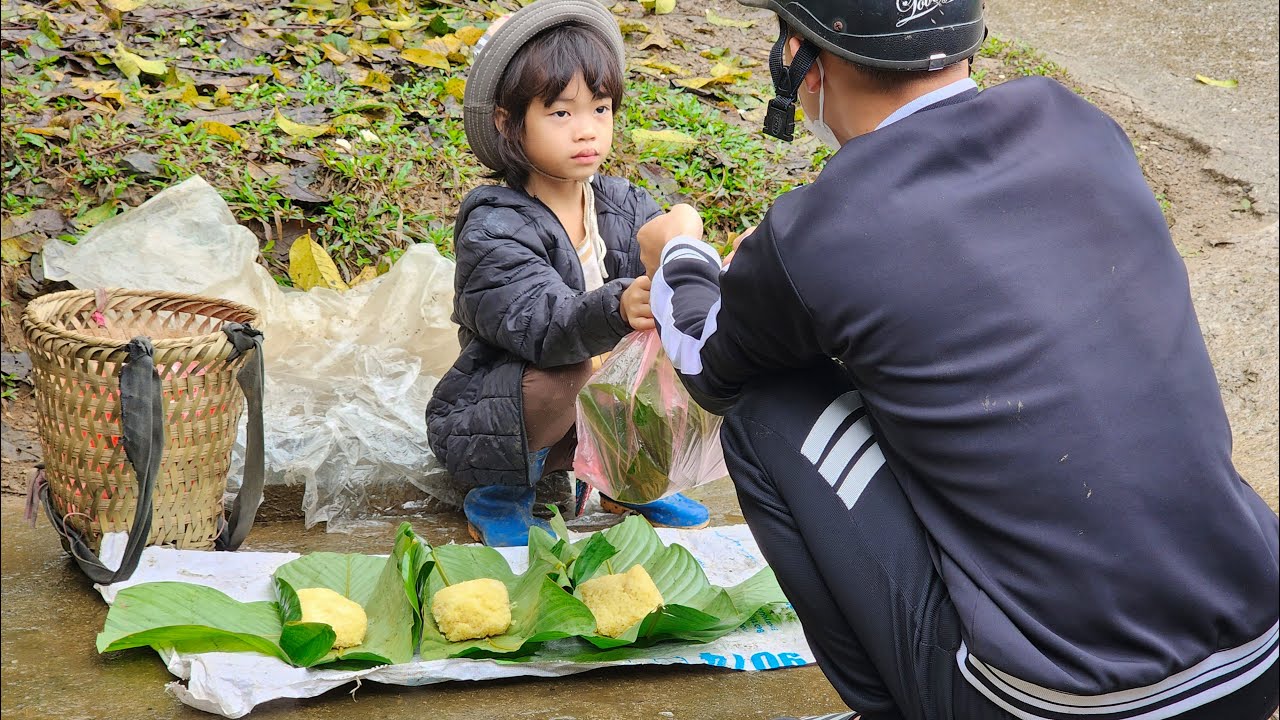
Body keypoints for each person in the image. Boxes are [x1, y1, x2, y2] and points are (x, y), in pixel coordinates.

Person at [637, 0, 1280, 718]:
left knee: (764, 410)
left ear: (798, 58)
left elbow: (709, 367)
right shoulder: (1078, 125)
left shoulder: (821, 229)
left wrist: (682, 252)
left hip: (1055, 705)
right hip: (1256, 659)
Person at [425, 0, 710, 547]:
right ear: (510, 125)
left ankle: (628, 478)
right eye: (561, 113)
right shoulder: (494, 224)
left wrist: (690, 250)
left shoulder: (623, 204)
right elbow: (541, 325)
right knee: (572, 366)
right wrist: (619, 305)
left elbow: (668, 258)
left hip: (599, 409)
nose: (586, 131)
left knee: (680, 347)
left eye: (599, 109)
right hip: (503, 421)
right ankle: (500, 492)